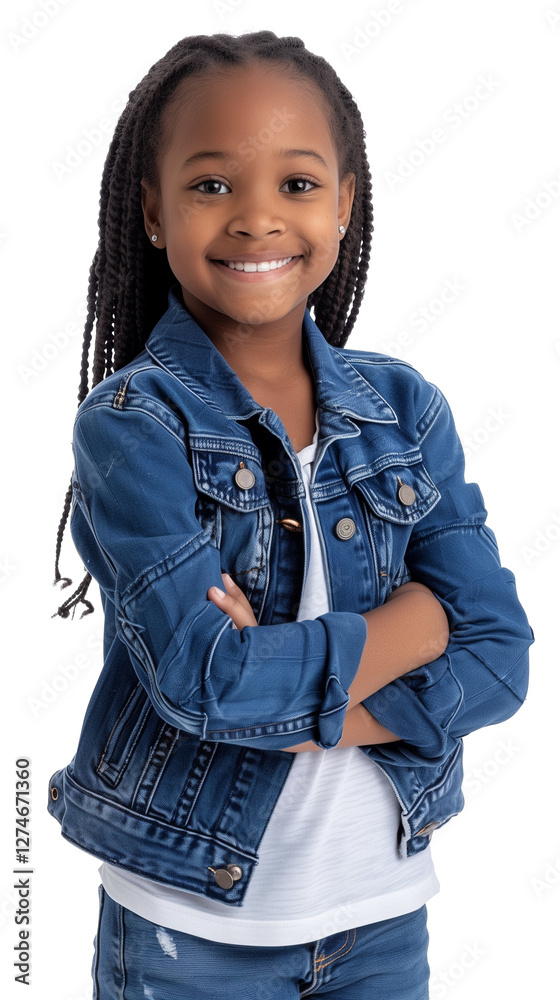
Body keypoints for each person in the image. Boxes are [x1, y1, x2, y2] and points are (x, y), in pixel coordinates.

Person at [48, 30, 533, 999]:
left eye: (297, 185)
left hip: (381, 922)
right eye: (211, 185)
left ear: (346, 203)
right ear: (152, 210)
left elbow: (497, 654)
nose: (256, 219)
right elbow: (206, 681)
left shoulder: (404, 409)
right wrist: (412, 624)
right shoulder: (131, 425)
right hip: (191, 932)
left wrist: (314, 710)